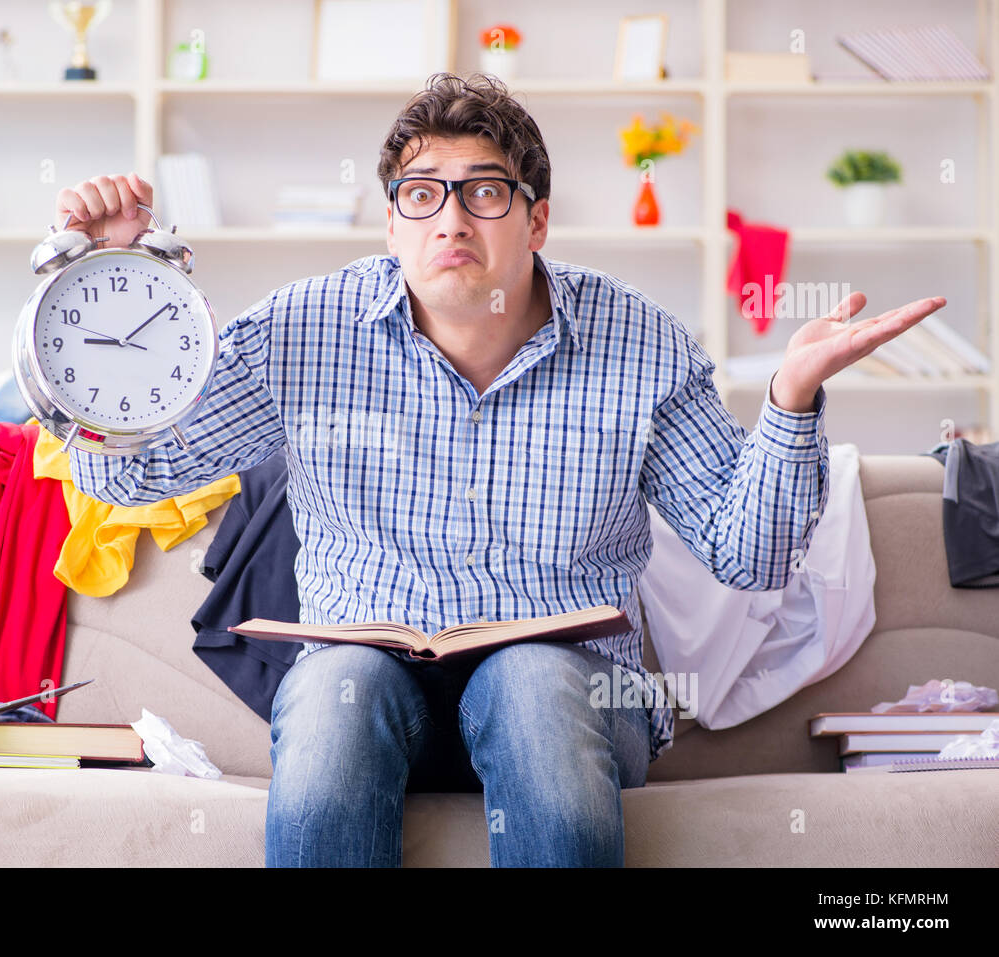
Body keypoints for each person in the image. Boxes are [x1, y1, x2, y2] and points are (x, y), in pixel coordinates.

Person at [57, 73, 947, 867]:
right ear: (393, 220)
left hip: (571, 692)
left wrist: (790, 400)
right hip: (364, 682)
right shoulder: (303, 330)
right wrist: (124, 281)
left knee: (528, 678)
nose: (450, 219)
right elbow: (130, 478)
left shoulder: (638, 343)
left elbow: (748, 558)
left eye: (483, 192)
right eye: (421, 195)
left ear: (537, 218)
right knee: (333, 686)